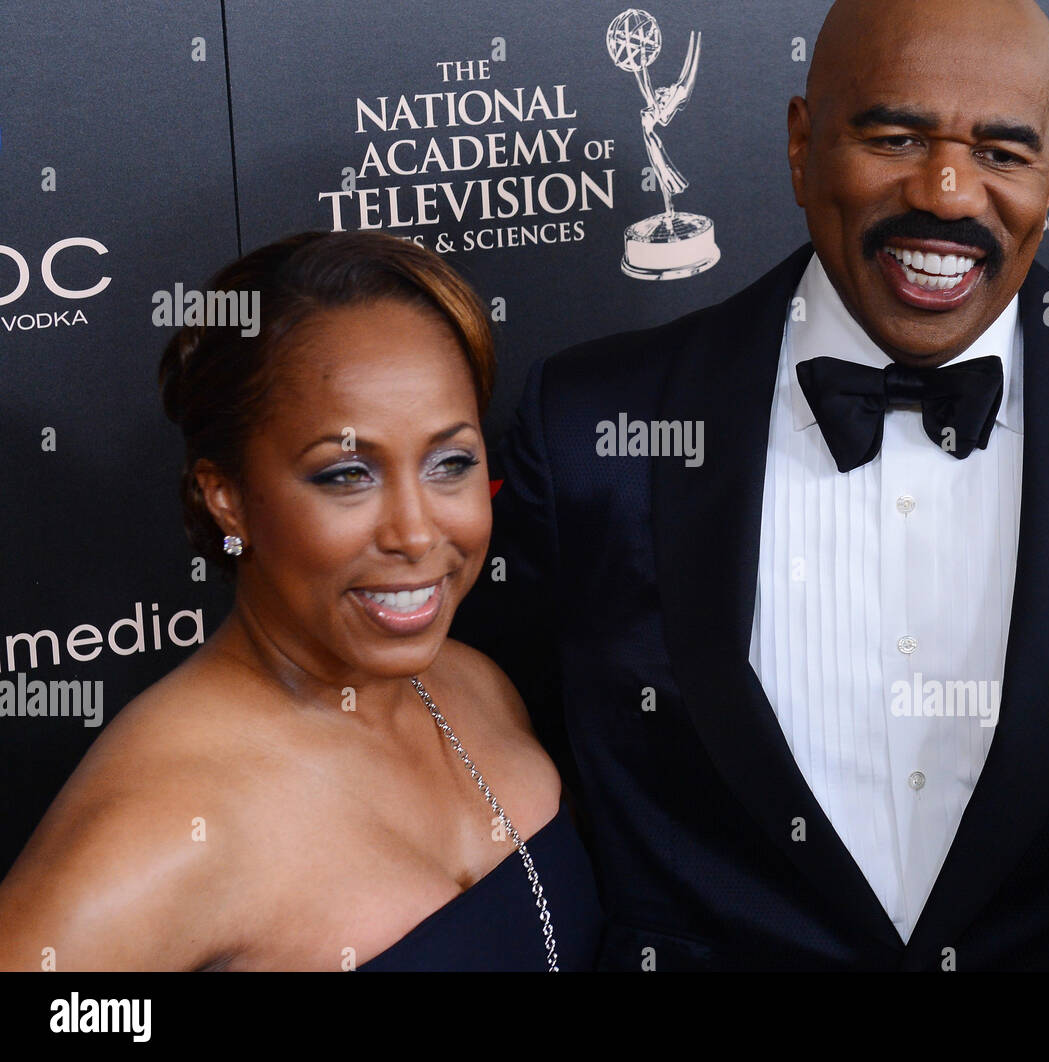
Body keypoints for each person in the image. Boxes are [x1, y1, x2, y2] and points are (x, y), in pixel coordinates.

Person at [454, 0, 1049, 970]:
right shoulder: (593, 427)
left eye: (1001, 149)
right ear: (803, 142)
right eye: (894, 137)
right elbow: (479, 784)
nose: (945, 192)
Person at [0, 231, 601, 971]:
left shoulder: (478, 686)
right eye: (347, 474)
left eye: (450, 463)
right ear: (226, 500)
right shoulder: (160, 825)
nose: (416, 533)